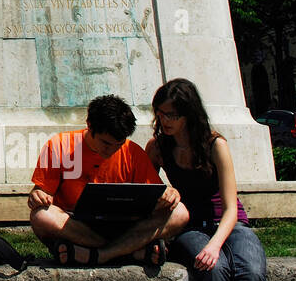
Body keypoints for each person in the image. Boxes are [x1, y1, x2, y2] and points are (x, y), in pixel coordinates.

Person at [147, 78, 267, 281]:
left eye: (172, 115)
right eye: (160, 114)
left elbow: (231, 208)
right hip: (189, 226)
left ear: (189, 113)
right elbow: (145, 194)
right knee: (215, 271)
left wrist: (214, 245)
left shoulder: (215, 145)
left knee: (250, 271)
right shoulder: (157, 147)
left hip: (228, 224)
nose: (165, 121)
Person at [29, 94, 188, 265]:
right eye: (106, 143)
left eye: (118, 144)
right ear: (89, 125)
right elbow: (41, 192)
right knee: (40, 216)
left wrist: (168, 194)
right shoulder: (59, 145)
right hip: (77, 225)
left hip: (125, 225)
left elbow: (155, 196)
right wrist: (37, 195)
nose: (112, 150)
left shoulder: (133, 152)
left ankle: (98, 254)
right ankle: (128, 251)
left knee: (180, 212)